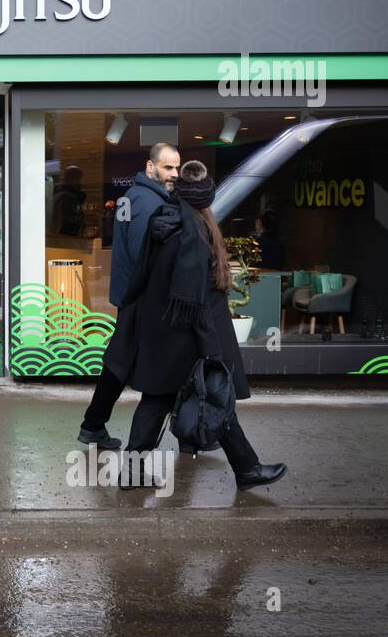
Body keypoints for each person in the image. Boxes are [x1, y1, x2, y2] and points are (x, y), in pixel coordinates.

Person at [101, 160, 287, 490]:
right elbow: (194, 299)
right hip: (186, 336)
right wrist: (211, 349)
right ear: (205, 201)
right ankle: (247, 469)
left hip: (164, 332)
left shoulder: (165, 221)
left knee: (164, 400)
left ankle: (245, 467)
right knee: (213, 394)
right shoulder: (191, 235)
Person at [76, 142, 180, 450]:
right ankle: (192, 432)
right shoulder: (149, 203)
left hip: (132, 297)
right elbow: (142, 255)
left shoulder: (133, 197)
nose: (174, 173)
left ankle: (93, 425)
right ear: (151, 167)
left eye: (177, 167)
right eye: (167, 167)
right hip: (144, 300)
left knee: (120, 363)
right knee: (140, 364)